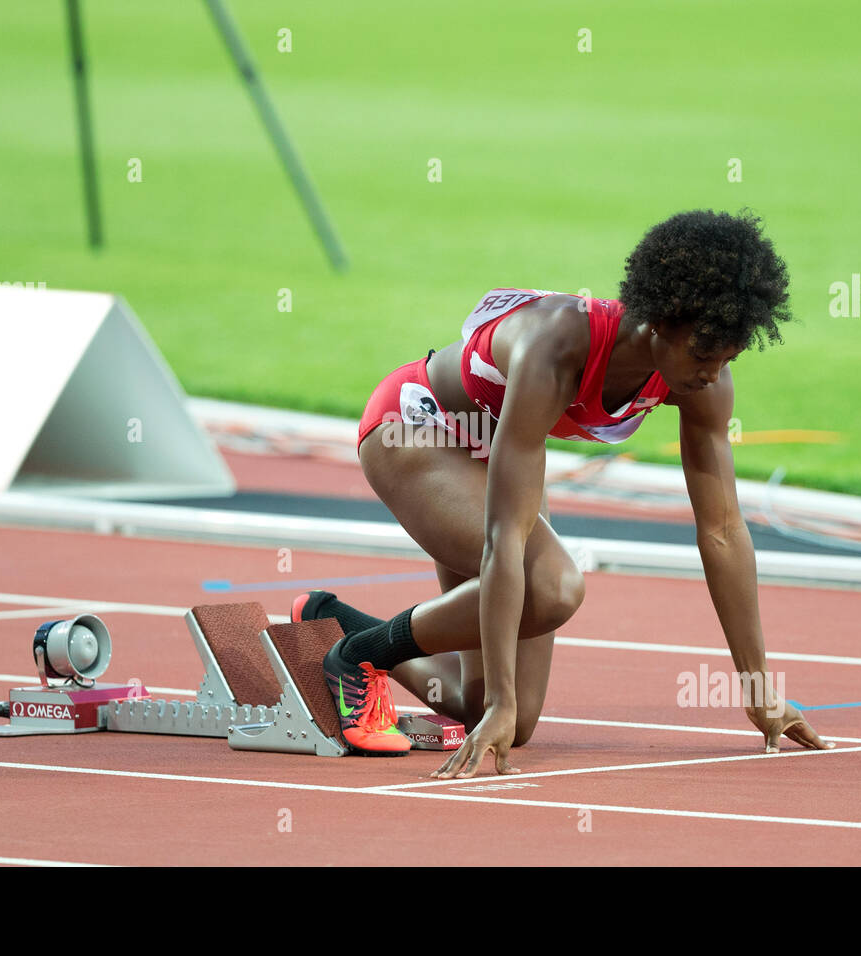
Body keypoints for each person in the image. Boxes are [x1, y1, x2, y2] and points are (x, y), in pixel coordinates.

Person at [293, 209, 832, 775]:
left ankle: (334, 621)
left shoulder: (704, 380)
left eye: (730, 356)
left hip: (496, 450)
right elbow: (504, 535)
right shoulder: (554, 348)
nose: (714, 372)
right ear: (658, 322)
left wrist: (758, 687)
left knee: (509, 723)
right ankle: (357, 658)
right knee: (550, 589)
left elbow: (722, 531)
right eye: (703, 353)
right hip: (419, 429)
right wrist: (502, 699)